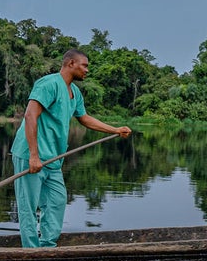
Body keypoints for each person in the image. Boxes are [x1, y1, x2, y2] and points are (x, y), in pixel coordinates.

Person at [11, 49, 131, 248]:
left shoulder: (74, 92)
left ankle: (48, 246)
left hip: (53, 159)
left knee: (57, 202)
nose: (87, 70)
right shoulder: (48, 84)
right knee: (28, 207)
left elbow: (84, 118)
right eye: (84, 65)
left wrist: (115, 130)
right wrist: (33, 156)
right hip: (30, 154)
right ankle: (31, 251)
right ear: (71, 64)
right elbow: (30, 116)